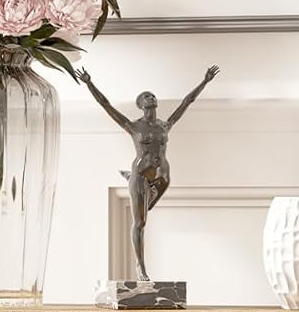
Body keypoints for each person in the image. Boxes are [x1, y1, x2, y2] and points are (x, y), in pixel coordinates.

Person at [79, 66, 221, 279]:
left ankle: (133, 182)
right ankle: (141, 267)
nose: (151, 97)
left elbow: (186, 102)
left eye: (153, 95)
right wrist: (90, 83)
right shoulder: (133, 127)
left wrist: (205, 81)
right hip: (142, 172)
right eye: (146, 96)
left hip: (161, 175)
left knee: (156, 191)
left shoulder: (165, 126)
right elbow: (105, 104)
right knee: (141, 222)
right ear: (140, 105)